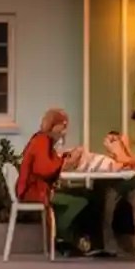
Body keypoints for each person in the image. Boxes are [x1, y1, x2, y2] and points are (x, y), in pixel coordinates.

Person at [15, 108, 92, 255]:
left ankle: (74, 240)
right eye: (63, 126)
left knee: (84, 194)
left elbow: (53, 163)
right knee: (79, 201)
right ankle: (63, 239)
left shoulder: (44, 141)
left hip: (38, 188)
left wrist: (66, 158)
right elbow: (45, 169)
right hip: (35, 191)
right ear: (54, 126)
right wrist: (67, 162)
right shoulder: (41, 141)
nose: (64, 131)